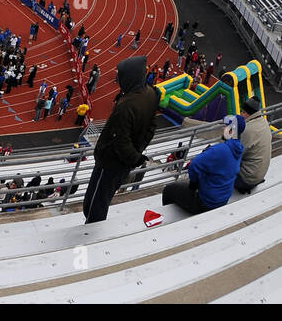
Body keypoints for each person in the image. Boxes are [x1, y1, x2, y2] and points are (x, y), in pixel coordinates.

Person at [83, 56, 161, 223]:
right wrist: (138, 149)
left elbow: (120, 140)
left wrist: (134, 158)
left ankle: (90, 234)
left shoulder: (126, 106)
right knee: (100, 199)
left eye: (122, 75)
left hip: (110, 162)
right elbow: (152, 126)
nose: (119, 79)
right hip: (123, 161)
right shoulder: (152, 93)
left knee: (94, 205)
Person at [162, 116, 245, 214]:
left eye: (226, 127)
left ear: (231, 131)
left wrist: (193, 183)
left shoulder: (220, 149)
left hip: (206, 202)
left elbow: (194, 165)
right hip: (223, 199)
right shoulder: (239, 149)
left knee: (168, 190)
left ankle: (166, 221)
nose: (223, 129)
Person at [236, 97, 271, 193]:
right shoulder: (264, 122)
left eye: (243, 112)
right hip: (259, 174)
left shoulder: (248, 129)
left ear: (248, 113)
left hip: (247, 179)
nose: (241, 115)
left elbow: (236, 154)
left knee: (223, 164)